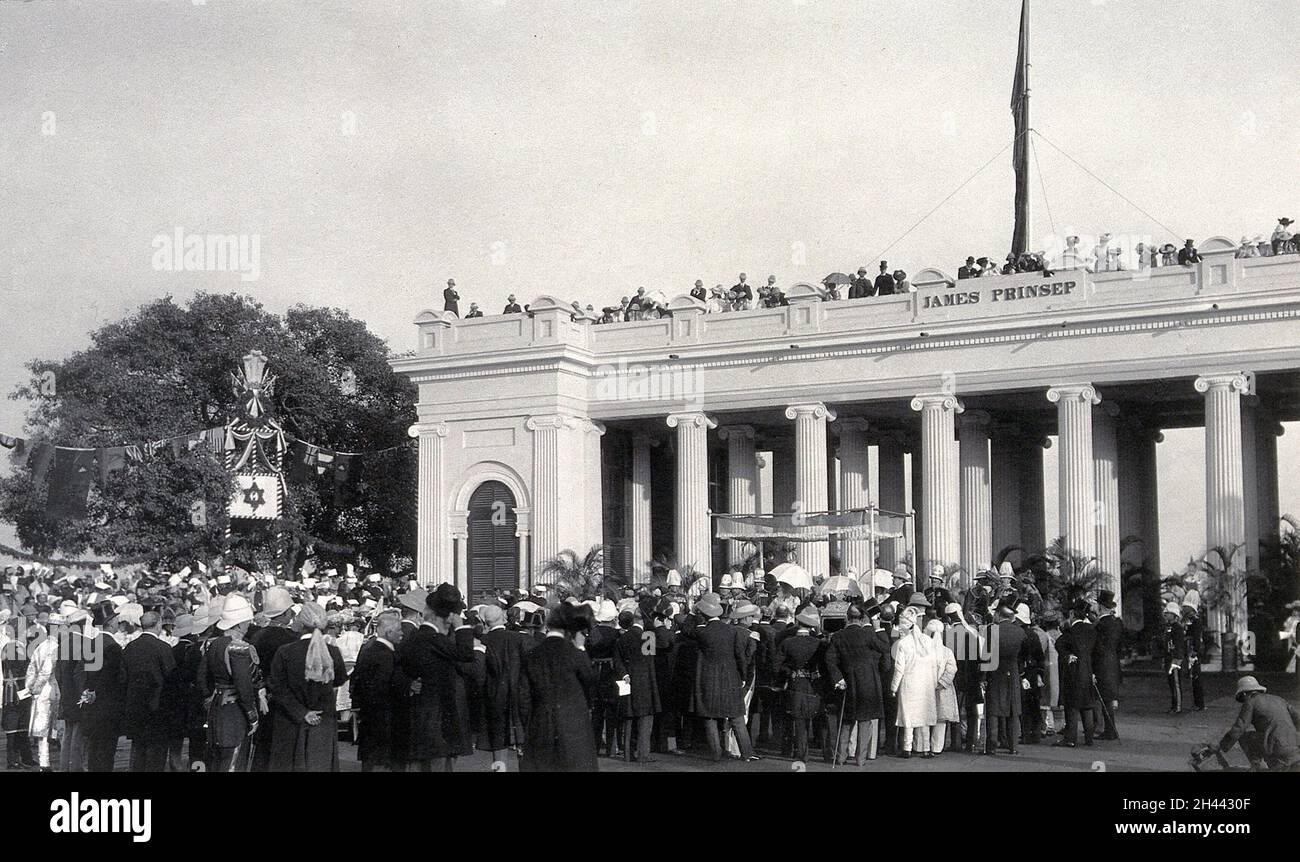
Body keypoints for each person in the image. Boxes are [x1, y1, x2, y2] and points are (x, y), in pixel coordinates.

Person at [399, 583, 476, 772]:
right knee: (438, 764)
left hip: (420, 713)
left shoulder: (414, 638)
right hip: (437, 717)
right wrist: (461, 627)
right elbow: (466, 653)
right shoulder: (433, 639)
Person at [267, 602, 347, 772]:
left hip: (290, 722)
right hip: (322, 723)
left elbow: (276, 687)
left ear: (302, 624)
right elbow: (339, 680)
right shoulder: (332, 651)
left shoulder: (285, 652)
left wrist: (302, 712)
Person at [519, 602, 599, 771]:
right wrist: (581, 646)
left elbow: (524, 697)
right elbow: (590, 680)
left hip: (541, 723)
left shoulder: (532, 655)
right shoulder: (574, 653)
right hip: (573, 725)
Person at [682, 592, 758, 762]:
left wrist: (693, 612)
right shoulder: (732, 631)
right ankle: (746, 752)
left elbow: (685, 630)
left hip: (708, 679)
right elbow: (740, 655)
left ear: (703, 613)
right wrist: (743, 675)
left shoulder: (702, 633)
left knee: (709, 717)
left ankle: (716, 753)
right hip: (731, 677)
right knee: (736, 716)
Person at [197, 595, 265, 772]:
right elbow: (244, 687)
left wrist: (208, 698)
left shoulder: (212, 645)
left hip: (216, 709)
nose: (249, 624)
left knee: (216, 763)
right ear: (239, 623)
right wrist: (252, 715)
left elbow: (201, 678)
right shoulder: (239, 648)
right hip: (235, 713)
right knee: (235, 763)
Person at [350, 610, 408, 771]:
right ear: (389, 632)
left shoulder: (369, 649)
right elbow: (385, 686)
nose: (402, 634)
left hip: (371, 717)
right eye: (399, 630)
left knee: (371, 761)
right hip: (387, 717)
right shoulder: (386, 655)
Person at [248, 586, 297, 771]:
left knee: (261, 748)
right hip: (282, 698)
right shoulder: (291, 638)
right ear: (284, 613)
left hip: (260, 695)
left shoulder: (256, 636)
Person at [122, 610, 177, 772]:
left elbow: (123, 678)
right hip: (157, 708)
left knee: (138, 751)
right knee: (156, 755)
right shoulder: (163, 648)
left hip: (135, 707)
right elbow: (172, 680)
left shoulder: (130, 647)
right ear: (158, 624)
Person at [1212, 676, 1300, 771]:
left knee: (1245, 737)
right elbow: (1298, 719)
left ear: (1244, 693)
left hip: (1277, 749)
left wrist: (1221, 745)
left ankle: (1257, 766)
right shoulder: (1279, 699)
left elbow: (1239, 728)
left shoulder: (1251, 702)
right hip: (1295, 748)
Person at [78, 602, 126, 772]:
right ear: (111, 623)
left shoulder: (91, 643)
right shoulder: (113, 647)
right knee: (107, 750)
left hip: (92, 703)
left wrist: (89, 691)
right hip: (109, 705)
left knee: (94, 748)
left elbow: (85, 673)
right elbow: (117, 678)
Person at [479, 602, 526, 765]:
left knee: (498, 744)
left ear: (485, 621)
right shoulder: (518, 638)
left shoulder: (484, 641)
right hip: (517, 693)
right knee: (521, 740)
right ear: (503, 618)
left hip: (494, 695)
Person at [890, 602, 937, 758]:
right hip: (925, 683)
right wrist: (934, 682)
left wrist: (894, 687)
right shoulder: (928, 642)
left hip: (909, 684)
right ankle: (926, 748)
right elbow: (934, 665)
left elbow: (899, 669)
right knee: (923, 716)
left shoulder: (903, 644)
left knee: (909, 716)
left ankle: (907, 748)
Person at [779, 606, 825, 763]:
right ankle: (827, 753)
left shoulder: (787, 642)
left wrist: (787, 673)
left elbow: (778, 665)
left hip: (796, 683)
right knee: (820, 717)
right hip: (814, 683)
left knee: (798, 720)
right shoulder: (818, 643)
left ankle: (801, 753)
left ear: (798, 623)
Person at [613, 609, 660, 763]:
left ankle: (627, 754)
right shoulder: (649, 637)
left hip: (628, 680)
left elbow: (617, 661)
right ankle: (643, 754)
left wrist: (625, 674)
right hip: (646, 681)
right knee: (646, 719)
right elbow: (650, 661)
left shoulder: (622, 638)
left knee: (629, 718)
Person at [1054, 600, 1100, 748]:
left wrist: (1068, 654)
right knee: (1087, 705)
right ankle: (1089, 738)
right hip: (1088, 669)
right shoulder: (1091, 629)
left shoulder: (1070, 631)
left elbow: (1059, 644)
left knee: (1072, 706)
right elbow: (1097, 651)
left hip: (1073, 671)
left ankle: (1071, 738)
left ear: (1073, 614)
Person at [984, 596, 1026, 755]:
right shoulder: (1020, 631)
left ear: (999, 615)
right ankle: (1013, 746)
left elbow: (986, 656)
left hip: (995, 673)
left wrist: (983, 677)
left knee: (994, 711)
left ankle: (992, 746)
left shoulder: (992, 630)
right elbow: (1024, 655)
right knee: (1013, 710)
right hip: (1013, 672)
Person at [25, 615, 61, 771]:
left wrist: (30, 687)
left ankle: (44, 761)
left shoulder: (39, 646)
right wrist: (37, 687)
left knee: (42, 730)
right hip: (51, 688)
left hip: (40, 690)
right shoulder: (56, 647)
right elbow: (46, 670)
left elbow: (31, 669)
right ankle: (51, 762)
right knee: (53, 725)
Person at [1093, 589, 1122, 738]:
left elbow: (1097, 647)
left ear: (1101, 607)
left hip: (1101, 663)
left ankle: (1109, 730)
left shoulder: (1100, 625)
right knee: (1108, 698)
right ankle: (1110, 728)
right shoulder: (1116, 623)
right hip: (1113, 661)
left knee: (1103, 697)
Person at [1158, 600, 1187, 714]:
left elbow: (1179, 644)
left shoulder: (1177, 628)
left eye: (1168, 613)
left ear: (1174, 615)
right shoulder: (1168, 628)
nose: (1166, 615)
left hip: (1175, 658)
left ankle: (1177, 706)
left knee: (1176, 683)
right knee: (1171, 683)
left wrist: (1177, 659)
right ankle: (1174, 705)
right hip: (1169, 657)